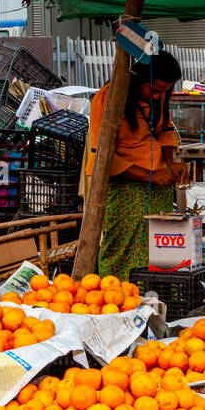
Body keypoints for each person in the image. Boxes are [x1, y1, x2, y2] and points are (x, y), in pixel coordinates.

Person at [83, 50, 186, 280]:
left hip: (158, 189)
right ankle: (118, 298)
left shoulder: (157, 101)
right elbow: (103, 156)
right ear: (139, 79)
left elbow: (166, 130)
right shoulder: (108, 98)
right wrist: (148, 175)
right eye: (155, 89)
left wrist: (174, 161)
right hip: (125, 191)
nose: (160, 97)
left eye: (165, 91)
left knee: (160, 253)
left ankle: (155, 298)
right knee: (122, 251)